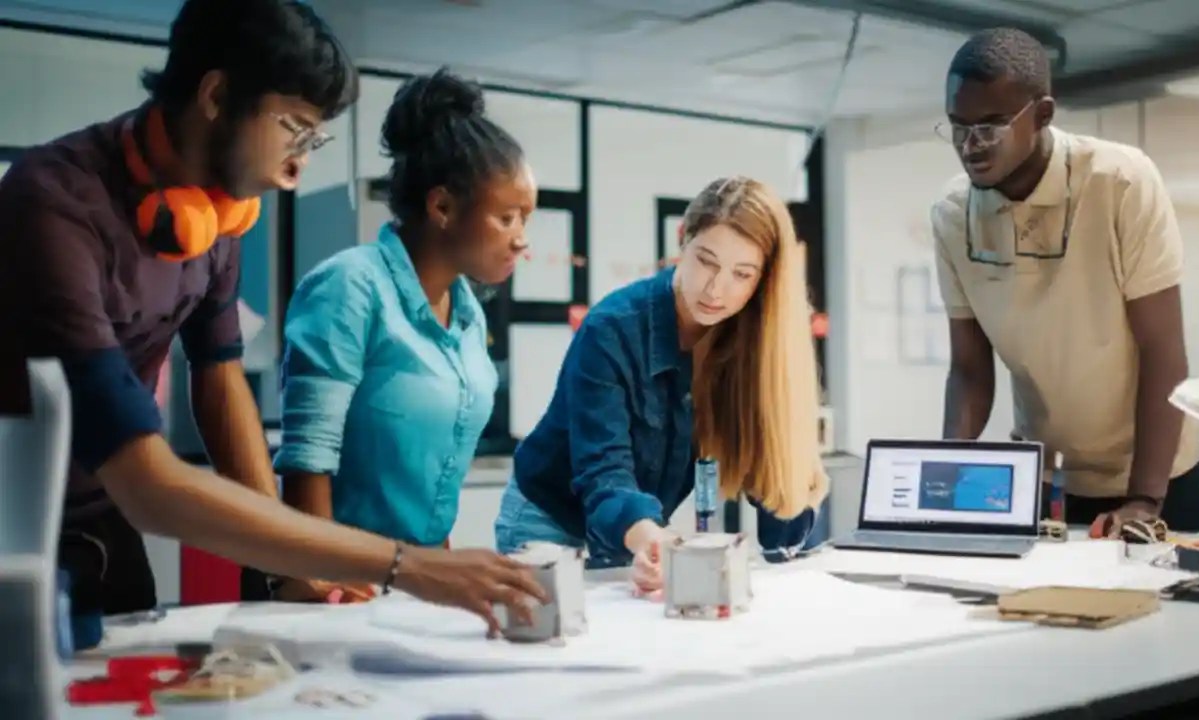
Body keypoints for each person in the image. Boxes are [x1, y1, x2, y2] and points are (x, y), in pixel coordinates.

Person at [0, 0, 544, 636]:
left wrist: (289, 561)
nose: (298, 165)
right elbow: (145, 479)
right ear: (217, 94)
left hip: (104, 522)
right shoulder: (54, 207)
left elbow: (220, 377)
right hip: (15, 518)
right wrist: (400, 564)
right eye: (294, 129)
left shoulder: (216, 222)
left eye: (315, 140)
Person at [931, 28, 1199, 535]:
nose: (970, 146)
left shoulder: (1121, 181)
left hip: (1158, 476)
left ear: (1042, 115)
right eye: (958, 128)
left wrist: (1145, 500)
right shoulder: (953, 214)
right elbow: (971, 370)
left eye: (991, 127)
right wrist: (944, 481)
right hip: (1049, 479)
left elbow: (1163, 350)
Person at [272, 69, 535, 602]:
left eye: (525, 219)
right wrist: (312, 574)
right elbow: (308, 454)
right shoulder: (350, 286)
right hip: (339, 580)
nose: (521, 239)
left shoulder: (467, 313)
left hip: (421, 579)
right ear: (442, 208)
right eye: (507, 218)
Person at [494, 176, 828, 591]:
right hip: (550, 522)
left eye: (742, 274)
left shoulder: (753, 344)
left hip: (637, 533)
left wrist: (794, 486)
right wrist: (655, 543)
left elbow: (783, 527)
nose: (716, 289)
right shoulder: (611, 330)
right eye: (706, 260)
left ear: (763, 281)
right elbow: (604, 476)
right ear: (682, 239)